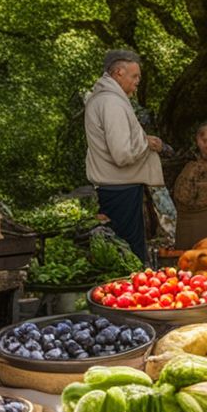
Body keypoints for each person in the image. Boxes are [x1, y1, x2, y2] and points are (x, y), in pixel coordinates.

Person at [84, 49, 164, 263]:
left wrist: (142, 139)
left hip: (116, 188)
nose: (138, 82)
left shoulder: (104, 99)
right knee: (128, 257)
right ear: (119, 72)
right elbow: (122, 154)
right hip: (121, 190)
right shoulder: (111, 102)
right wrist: (146, 143)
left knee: (121, 252)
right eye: (135, 76)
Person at [171, 123, 207, 248]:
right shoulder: (190, 167)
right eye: (204, 140)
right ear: (198, 141)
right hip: (187, 230)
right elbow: (182, 196)